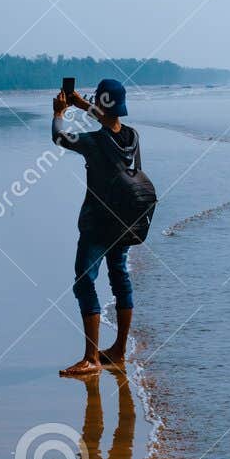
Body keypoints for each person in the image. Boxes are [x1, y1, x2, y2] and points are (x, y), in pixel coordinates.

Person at [52, 77, 139, 378]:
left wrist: (59, 114)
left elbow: (60, 138)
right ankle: (118, 350)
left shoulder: (95, 142)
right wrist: (82, 103)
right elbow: (109, 121)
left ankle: (91, 358)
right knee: (120, 278)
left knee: (84, 281)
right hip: (126, 221)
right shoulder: (132, 137)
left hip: (98, 223)